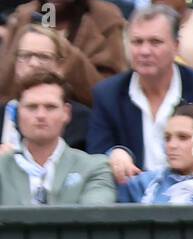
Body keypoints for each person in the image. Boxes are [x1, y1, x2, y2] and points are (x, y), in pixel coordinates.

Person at [87, 4, 193, 183]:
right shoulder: (108, 94)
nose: (144, 51)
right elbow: (94, 159)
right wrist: (113, 154)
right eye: (137, 42)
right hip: (130, 201)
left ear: (176, 46)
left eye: (155, 42)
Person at [0, 70, 113, 206]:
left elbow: (95, 219)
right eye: (32, 107)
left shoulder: (94, 168)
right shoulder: (2, 168)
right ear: (18, 112)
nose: (40, 115)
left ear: (66, 113)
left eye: (50, 107)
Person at [0, 27, 95, 149]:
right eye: (25, 55)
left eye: (43, 57)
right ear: (16, 62)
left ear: (59, 64)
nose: (33, 63)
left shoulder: (82, 120)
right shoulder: (3, 113)